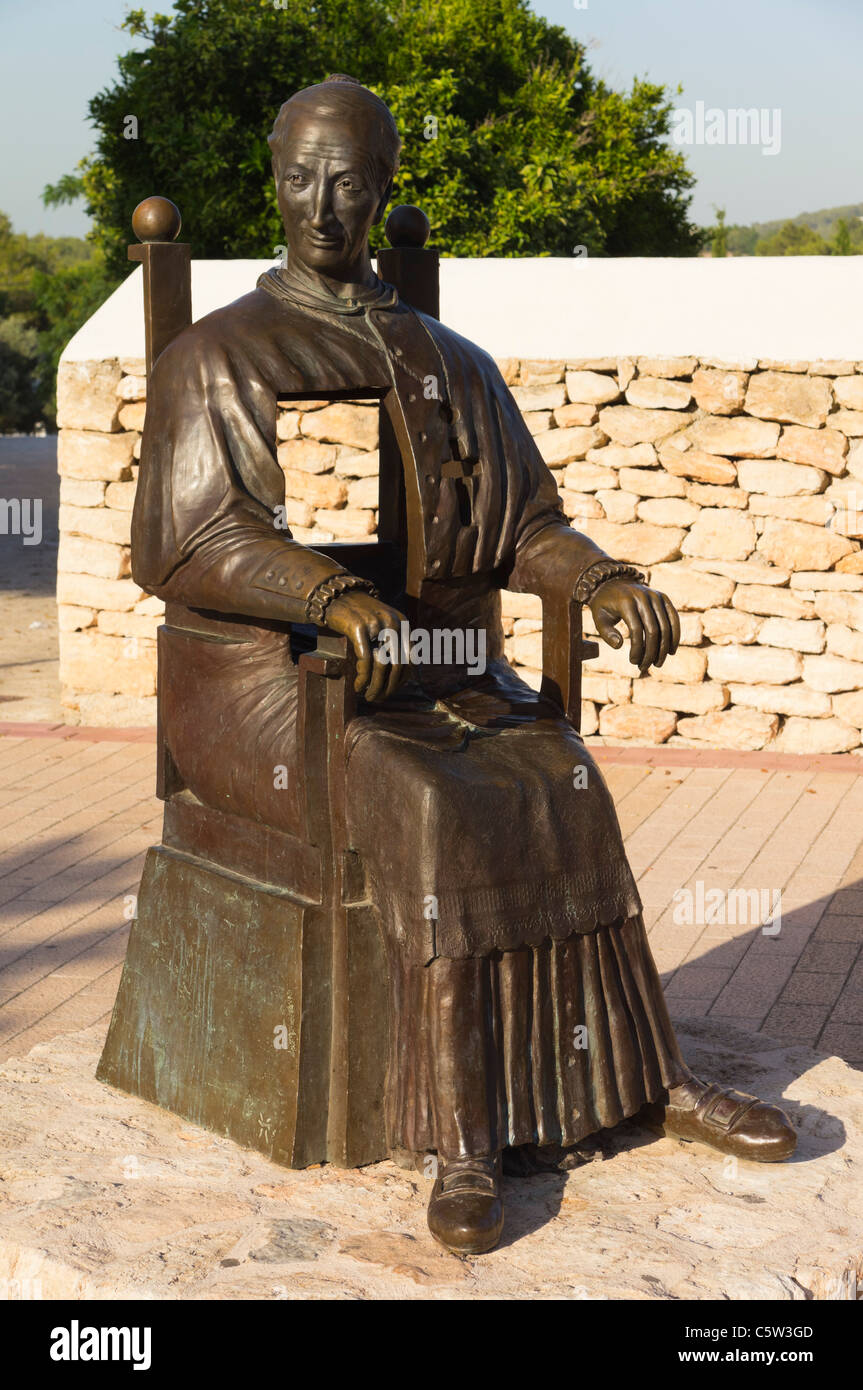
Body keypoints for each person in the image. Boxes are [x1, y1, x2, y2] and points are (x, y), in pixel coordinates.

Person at [132, 75, 796, 1256]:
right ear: (271, 183)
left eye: (349, 182)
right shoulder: (215, 354)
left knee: (562, 775)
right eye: (299, 179)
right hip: (260, 684)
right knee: (436, 800)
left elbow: (517, 522)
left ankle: (639, 1080)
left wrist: (597, 578)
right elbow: (193, 539)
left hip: (426, 658)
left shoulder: (449, 358)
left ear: (386, 187)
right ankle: (464, 1133)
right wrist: (328, 594)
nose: (323, 208)